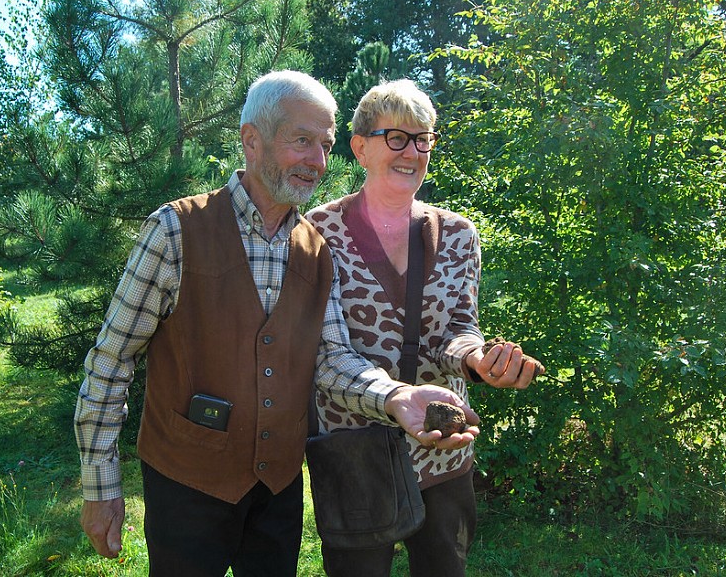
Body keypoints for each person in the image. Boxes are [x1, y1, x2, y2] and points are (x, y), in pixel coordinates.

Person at [74, 70, 479, 577]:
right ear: (252, 140)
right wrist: (101, 485)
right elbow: (112, 360)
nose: (317, 161)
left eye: (325, 145)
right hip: (186, 482)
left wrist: (396, 397)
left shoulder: (315, 248)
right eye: (302, 141)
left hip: (277, 491)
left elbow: (333, 361)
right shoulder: (175, 231)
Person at [306, 79, 543, 577]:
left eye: (423, 139)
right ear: (360, 147)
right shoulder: (319, 231)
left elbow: (458, 327)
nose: (412, 151)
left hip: (443, 447)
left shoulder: (458, 234)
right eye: (397, 137)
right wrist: (394, 396)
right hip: (357, 449)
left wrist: (477, 361)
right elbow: (326, 354)